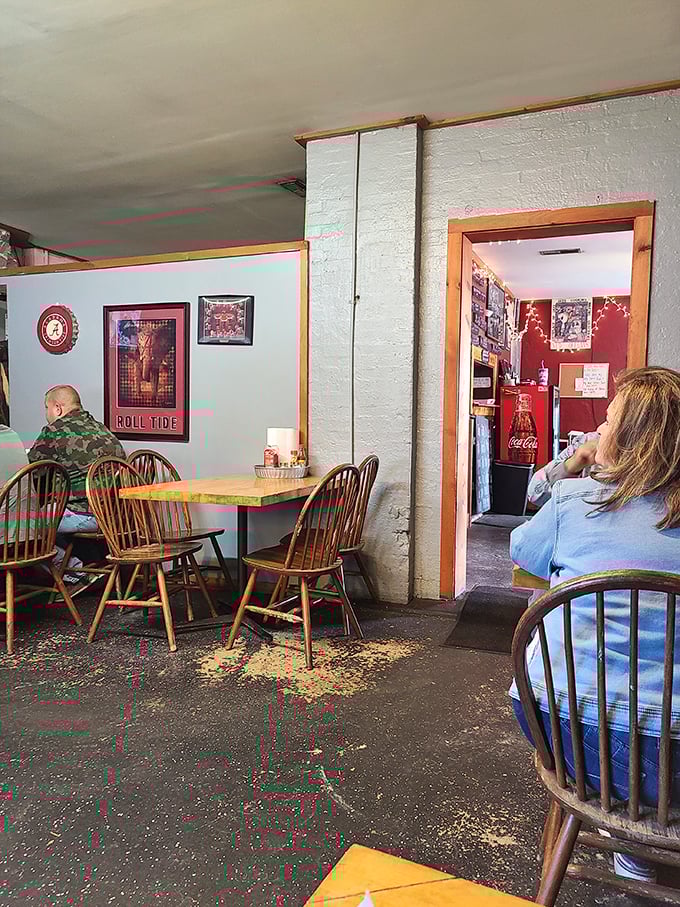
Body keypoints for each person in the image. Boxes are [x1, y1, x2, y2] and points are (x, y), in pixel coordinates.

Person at [509, 367, 680, 883]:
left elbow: (522, 552)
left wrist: (574, 469)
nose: (599, 432)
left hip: (569, 733)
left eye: (608, 422)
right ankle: (639, 838)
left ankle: (620, 827)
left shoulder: (573, 503)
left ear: (625, 439)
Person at [28, 385, 125, 578]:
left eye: (47, 408)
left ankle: (76, 572)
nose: (47, 414)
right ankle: (90, 566)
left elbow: (30, 471)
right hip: (116, 515)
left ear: (57, 408)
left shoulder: (54, 431)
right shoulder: (102, 428)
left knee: (23, 526)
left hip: (85, 515)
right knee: (50, 513)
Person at [527, 431, 599, 507]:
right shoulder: (586, 442)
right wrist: (574, 463)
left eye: (608, 423)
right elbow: (535, 495)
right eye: (607, 422)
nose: (600, 428)